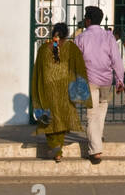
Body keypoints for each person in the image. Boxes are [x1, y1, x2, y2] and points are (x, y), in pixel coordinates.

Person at [32, 22, 91, 162]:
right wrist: (81, 89)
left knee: (50, 117)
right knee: (62, 118)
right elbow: (80, 69)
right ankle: (57, 148)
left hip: (47, 87)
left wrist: (37, 89)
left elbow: (37, 71)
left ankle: (55, 147)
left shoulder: (42, 49)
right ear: (67, 35)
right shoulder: (72, 48)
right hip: (65, 87)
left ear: (53, 33)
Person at [74, 6, 125, 165]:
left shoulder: (81, 38)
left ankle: (95, 150)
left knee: (91, 115)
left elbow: (75, 62)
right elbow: (116, 59)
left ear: (88, 20)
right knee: (101, 111)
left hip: (89, 80)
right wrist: (120, 80)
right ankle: (98, 136)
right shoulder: (109, 37)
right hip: (106, 79)